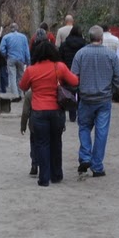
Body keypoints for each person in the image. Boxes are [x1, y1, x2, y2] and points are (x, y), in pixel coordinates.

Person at [17, 39, 78, 187]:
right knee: (56, 142)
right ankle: (56, 175)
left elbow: (23, 85)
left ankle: (44, 178)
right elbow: (75, 81)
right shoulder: (60, 67)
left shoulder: (31, 70)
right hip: (56, 110)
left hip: (38, 111)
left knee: (42, 143)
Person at [70, 26, 119, 177]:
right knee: (102, 132)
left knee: (84, 127)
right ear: (102, 38)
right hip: (104, 99)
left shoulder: (80, 54)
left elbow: (73, 77)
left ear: (89, 37)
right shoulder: (111, 55)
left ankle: (85, 157)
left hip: (86, 98)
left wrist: (78, 88)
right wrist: (112, 91)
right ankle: (97, 165)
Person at [0, 21, 30, 111]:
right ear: (17, 28)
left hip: (11, 58)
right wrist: (28, 61)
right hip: (21, 59)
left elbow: (1, 48)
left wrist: (6, 55)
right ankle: (22, 93)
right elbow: (26, 49)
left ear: (10, 29)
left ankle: (15, 95)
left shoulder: (6, 37)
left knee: (12, 76)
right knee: (21, 76)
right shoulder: (23, 37)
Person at [57, 25, 86, 121]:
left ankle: (72, 114)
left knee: (69, 93)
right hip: (81, 71)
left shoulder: (64, 44)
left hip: (67, 70)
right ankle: (81, 112)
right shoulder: (84, 45)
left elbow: (60, 58)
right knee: (81, 92)